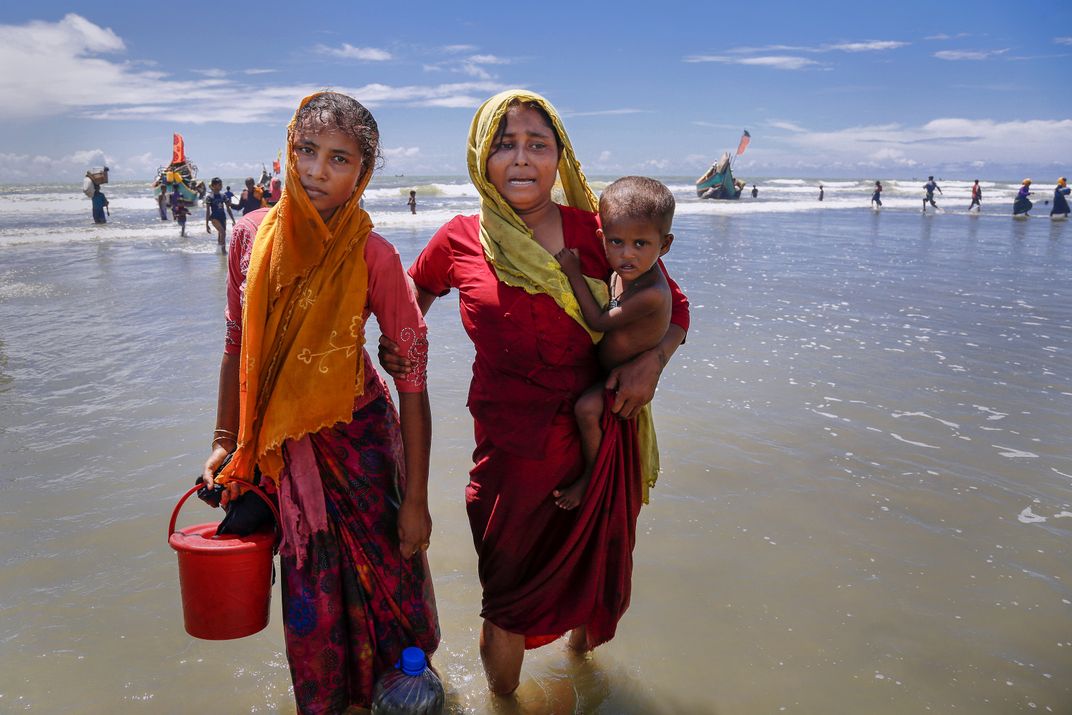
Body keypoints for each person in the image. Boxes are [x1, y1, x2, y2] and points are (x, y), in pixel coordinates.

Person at [378, 89, 690, 696]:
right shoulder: (460, 238)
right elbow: (414, 291)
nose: (521, 159)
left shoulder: (597, 233)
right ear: (480, 157)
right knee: (505, 598)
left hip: (596, 434)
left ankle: (582, 672)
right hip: (510, 451)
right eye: (504, 145)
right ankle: (504, 704)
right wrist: (402, 350)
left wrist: (655, 362)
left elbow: (672, 303)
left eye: (537, 145)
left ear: (558, 158)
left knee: (593, 569)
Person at [197, 91, 440, 712]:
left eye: (340, 158)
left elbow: (412, 378)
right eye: (306, 150)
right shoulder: (251, 238)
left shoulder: (373, 255)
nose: (317, 170)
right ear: (288, 151)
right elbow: (235, 344)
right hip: (284, 452)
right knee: (311, 580)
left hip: (360, 446)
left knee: (390, 575)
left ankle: (401, 690)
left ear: (363, 172)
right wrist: (226, 441)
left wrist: (415, 500)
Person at [550, 176, 674, 510]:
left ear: (664, 245)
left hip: (618, 380)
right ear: (602, 239)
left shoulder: (651, 293)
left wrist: (573, 273)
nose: (626, 255)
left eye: (640, 244)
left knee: (586, 409)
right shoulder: (627, 272)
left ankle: (590, 477)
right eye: (616, 242)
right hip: (604, 368)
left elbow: (598, 321)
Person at [204, 177, 229, 253]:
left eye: (221, 184)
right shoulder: (209, 197)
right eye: (219, 185)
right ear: (213, 186)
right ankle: (224, 251)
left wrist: (233, 220)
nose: (221, 186)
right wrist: (207, 224)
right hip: (214, 218)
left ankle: (219, 251)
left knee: (221, 234)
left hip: (223, 217)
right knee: (223, 233)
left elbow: (228, 208)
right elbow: (208, 211)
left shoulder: (223, 196)